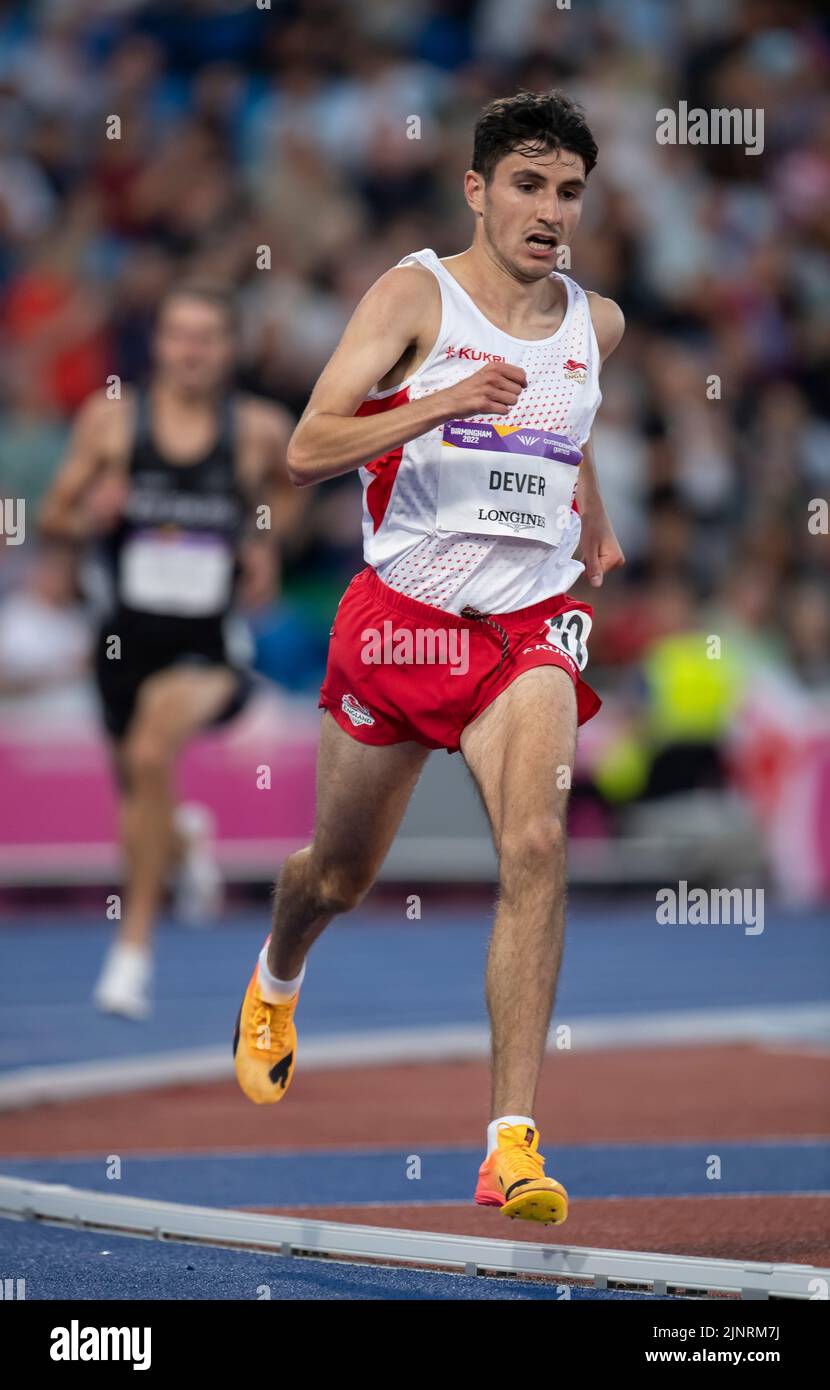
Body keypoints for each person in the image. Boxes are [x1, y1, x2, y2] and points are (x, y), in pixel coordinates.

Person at [233, 90, 625, 1226]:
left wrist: (587, 512)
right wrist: (441, 400)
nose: (549, 212)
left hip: (523, 630)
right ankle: (277, 971)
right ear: (476, 189)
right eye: (527, 186)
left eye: (567, 194)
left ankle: (509, 1144)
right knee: (338, 876)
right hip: (401, 623)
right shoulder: (416, 293)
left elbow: (568, 416)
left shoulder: (594, 323)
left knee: (538, 841)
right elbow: (308, 447)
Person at [39, 282, 298, 1019]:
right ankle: (182, 842)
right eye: (179, 335)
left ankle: (131, 956)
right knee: (139, 791)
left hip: (210, 647)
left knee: (152, 756)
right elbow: (51, 511)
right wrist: (90, 509)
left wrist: (264, 544)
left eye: (207, 337)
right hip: (122, 641)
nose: (191, 350)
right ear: (158, 346)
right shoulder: (113, 423)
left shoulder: (255, 428)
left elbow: (294, 488)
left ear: (228, 349)